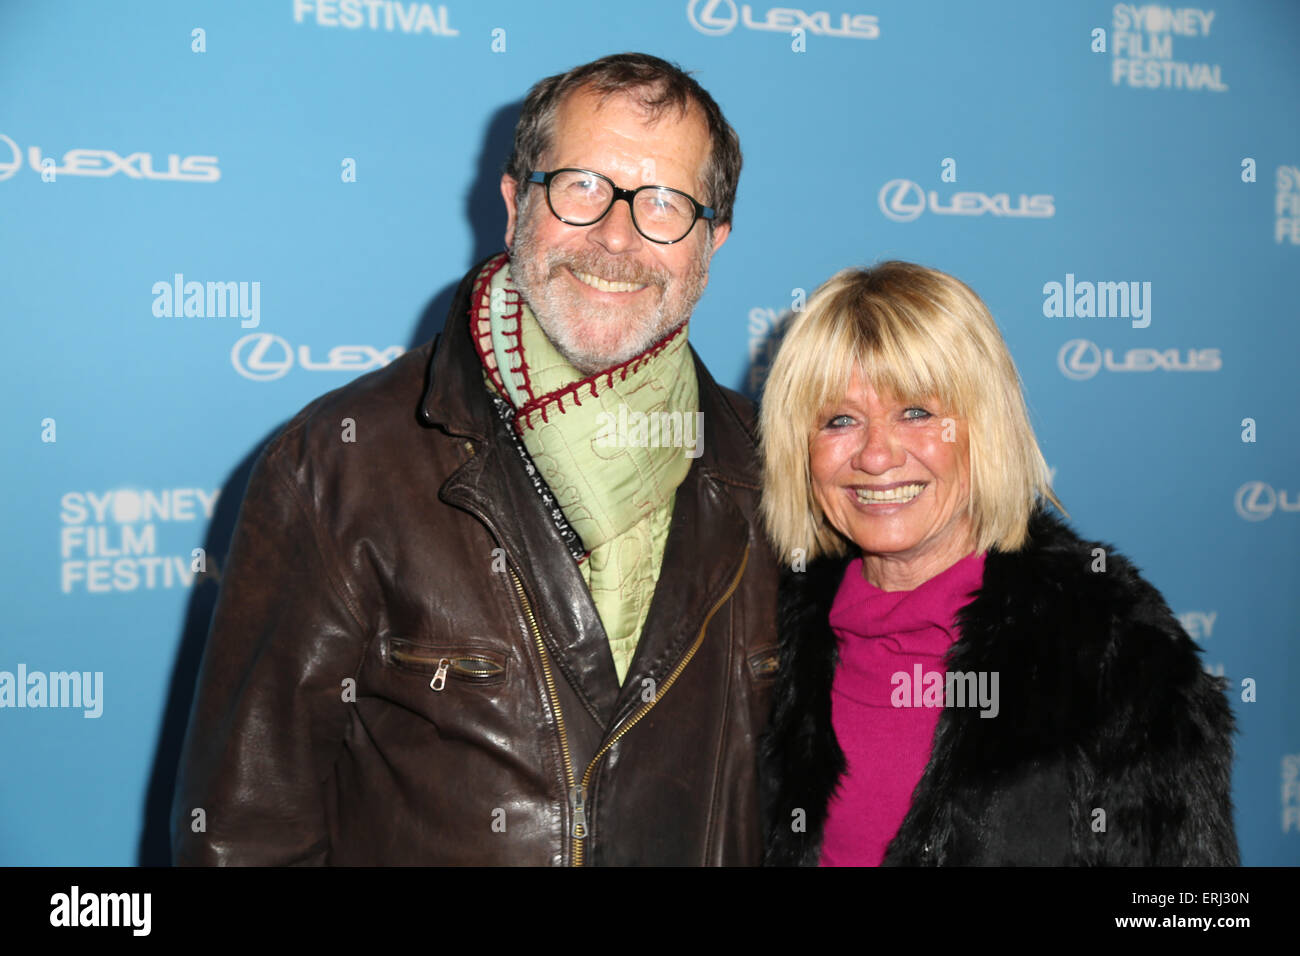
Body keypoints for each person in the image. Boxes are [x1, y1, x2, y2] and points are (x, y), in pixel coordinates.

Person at [171, 53, 781, 866]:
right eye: (581, 186)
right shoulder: (337, 464)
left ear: (712, 241)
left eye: (663, 203)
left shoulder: (780, 476)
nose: (615, 237)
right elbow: (244, 838)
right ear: (513, 202)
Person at [757, 261, 1238, 865]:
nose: (876, 455)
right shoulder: (761, 633)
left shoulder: (1111, 646)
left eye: (917, 413)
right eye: (840, 420)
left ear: (984, 427)